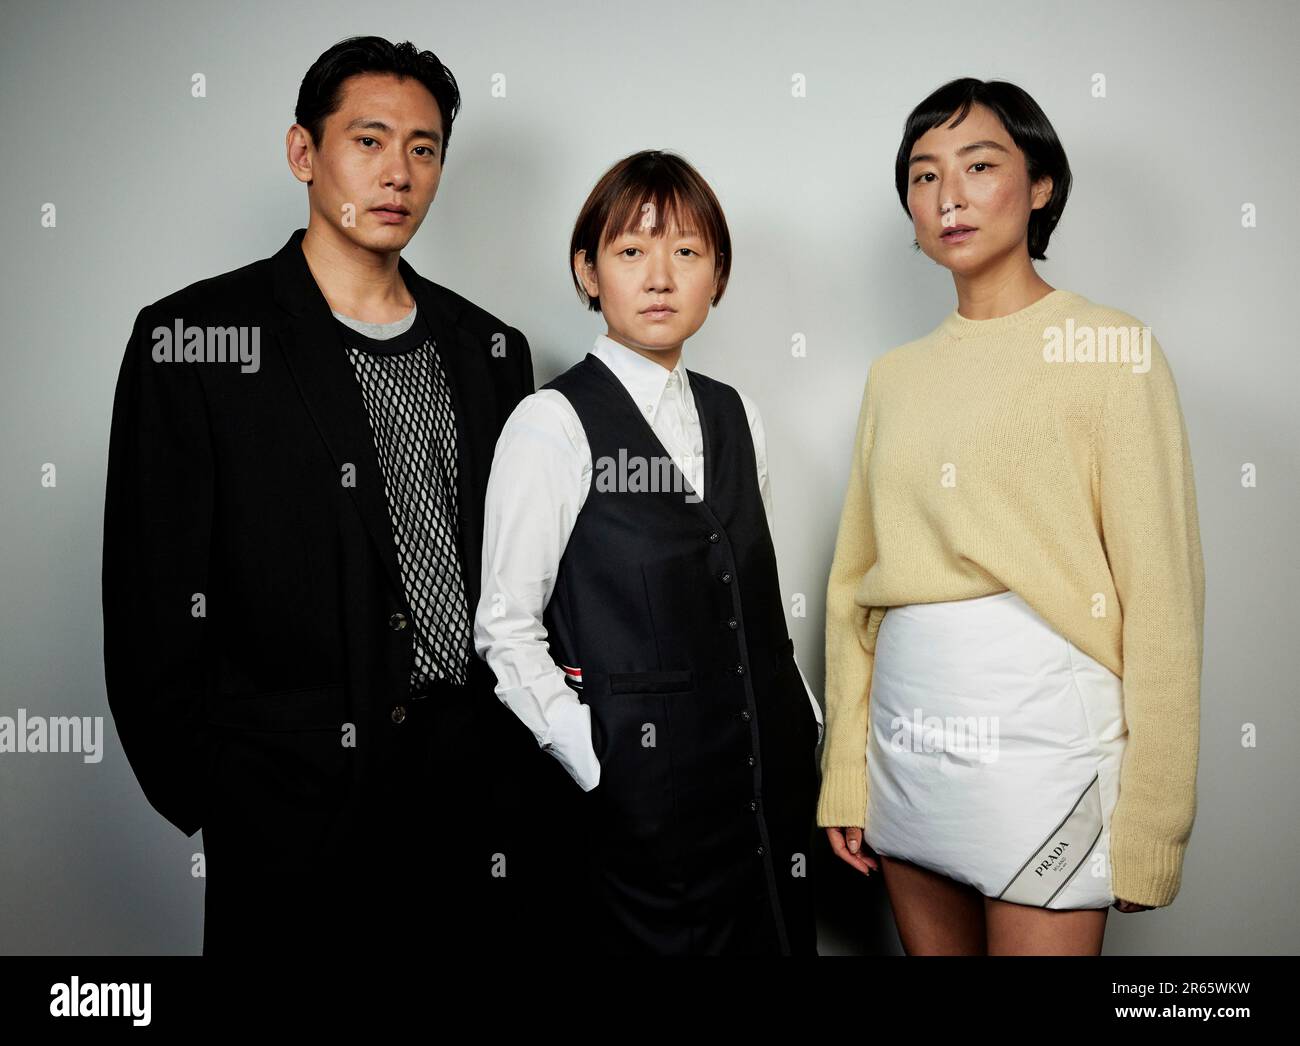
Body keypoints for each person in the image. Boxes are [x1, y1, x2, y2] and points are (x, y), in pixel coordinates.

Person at [101, 35, 541, 954]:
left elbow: (521, 575)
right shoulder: (194, 341)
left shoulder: (491, 351)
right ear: (305, 153)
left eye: (423, 149)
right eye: (370, 141)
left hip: (467, 795)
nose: (398, 173)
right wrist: (220, 788)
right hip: (290, 811)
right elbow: (149, 594)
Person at [817, 77, 1205, 955]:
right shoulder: (895, 376)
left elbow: (1165, 600)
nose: (947, 196)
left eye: (979, 165)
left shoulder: (1115, 351)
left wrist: (1154, 821)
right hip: (909, 739)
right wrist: (846, 775)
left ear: (1041, 186)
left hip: (1046, 741)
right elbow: (851, 591)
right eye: (922, 176)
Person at [474, 150, 823, 955]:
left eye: (687, 253)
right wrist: (591, 756)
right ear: (588, 272)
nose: (660, 277)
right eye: (631, 252)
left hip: (766, 797)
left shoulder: (739, 416)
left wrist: (808, 731)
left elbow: (751, 606)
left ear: (718, 276)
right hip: (642, 810)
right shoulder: (550, 424)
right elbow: (505, 626)